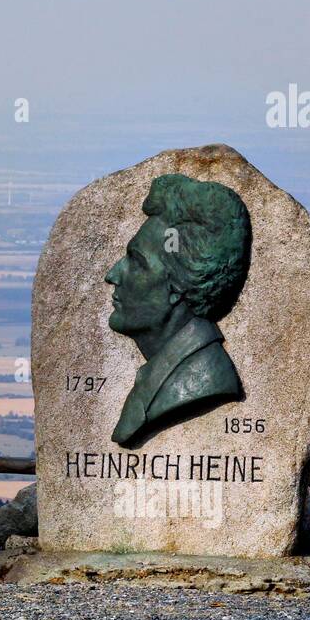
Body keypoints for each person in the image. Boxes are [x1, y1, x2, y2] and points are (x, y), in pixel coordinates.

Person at [104, 173, 252, 446]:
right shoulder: (164, 370)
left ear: (177, 287)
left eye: (136, 262)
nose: (113, 275)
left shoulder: (205, 380)